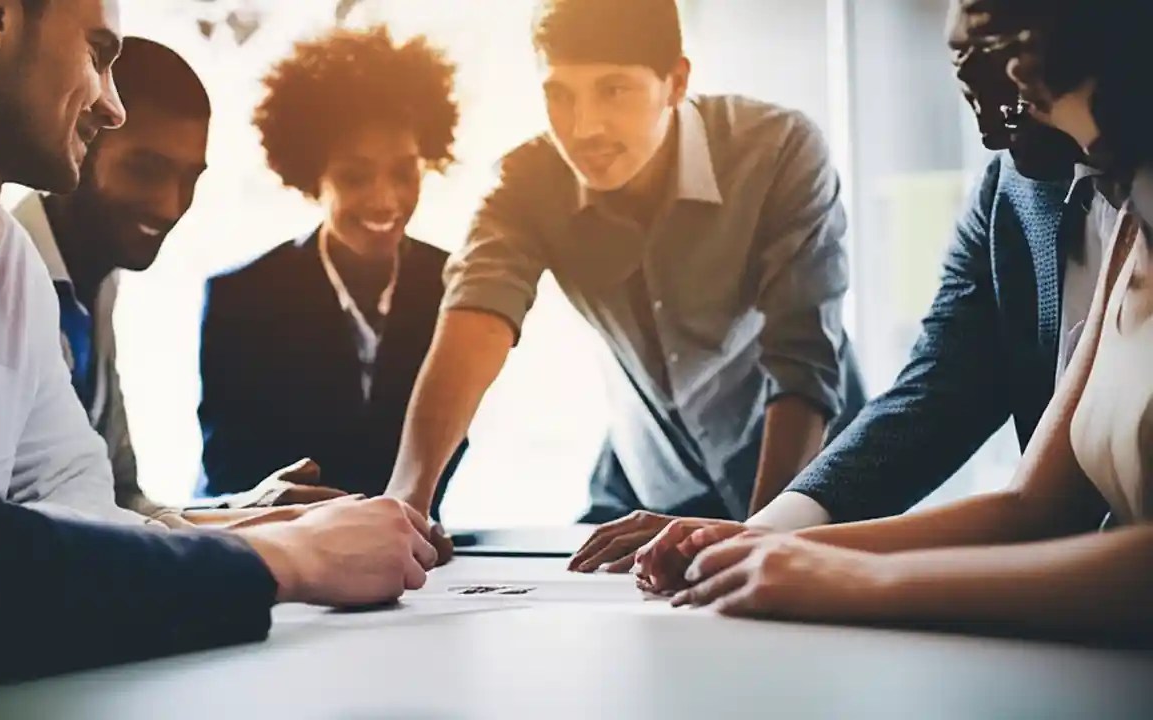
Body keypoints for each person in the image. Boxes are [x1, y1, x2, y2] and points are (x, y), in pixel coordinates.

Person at [0, 0, 433, 688]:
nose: (112, 106)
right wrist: (280, 558)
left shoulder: (9, 264)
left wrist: (253, 533)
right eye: (98, 54)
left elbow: (84, 520)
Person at [632, 0, 1153, 646]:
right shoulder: (1115, 215)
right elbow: (1025, 496)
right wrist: (766, 540)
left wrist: (855, 579)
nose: (1000, 118)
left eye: (1022, 73)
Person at [383, 0, 866, 562]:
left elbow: (804, 356)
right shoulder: (527, 183)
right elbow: (476, 315)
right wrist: (407, 502)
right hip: (656, 480)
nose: (583, 127)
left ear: (676, 81)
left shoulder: (778, 150)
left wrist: (757, 537)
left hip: (811, 476)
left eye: (614, 90)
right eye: (559, 95)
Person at [17, 37, 339, 527]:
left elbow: (119, 498)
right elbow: (47, 523)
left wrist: (247, 508)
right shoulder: (7, 278)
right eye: (145, 170)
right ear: (79, 140)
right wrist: (255, 537)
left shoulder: (96, 283)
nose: (171, 206)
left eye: (189, 178)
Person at [199, 26, 465, 520]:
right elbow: (229, 470)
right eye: (355, 176)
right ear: (310, 176)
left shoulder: (455, 286)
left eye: (404, 172)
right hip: (277, 542)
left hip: (412, 548)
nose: (386, 199)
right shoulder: (243, 298)